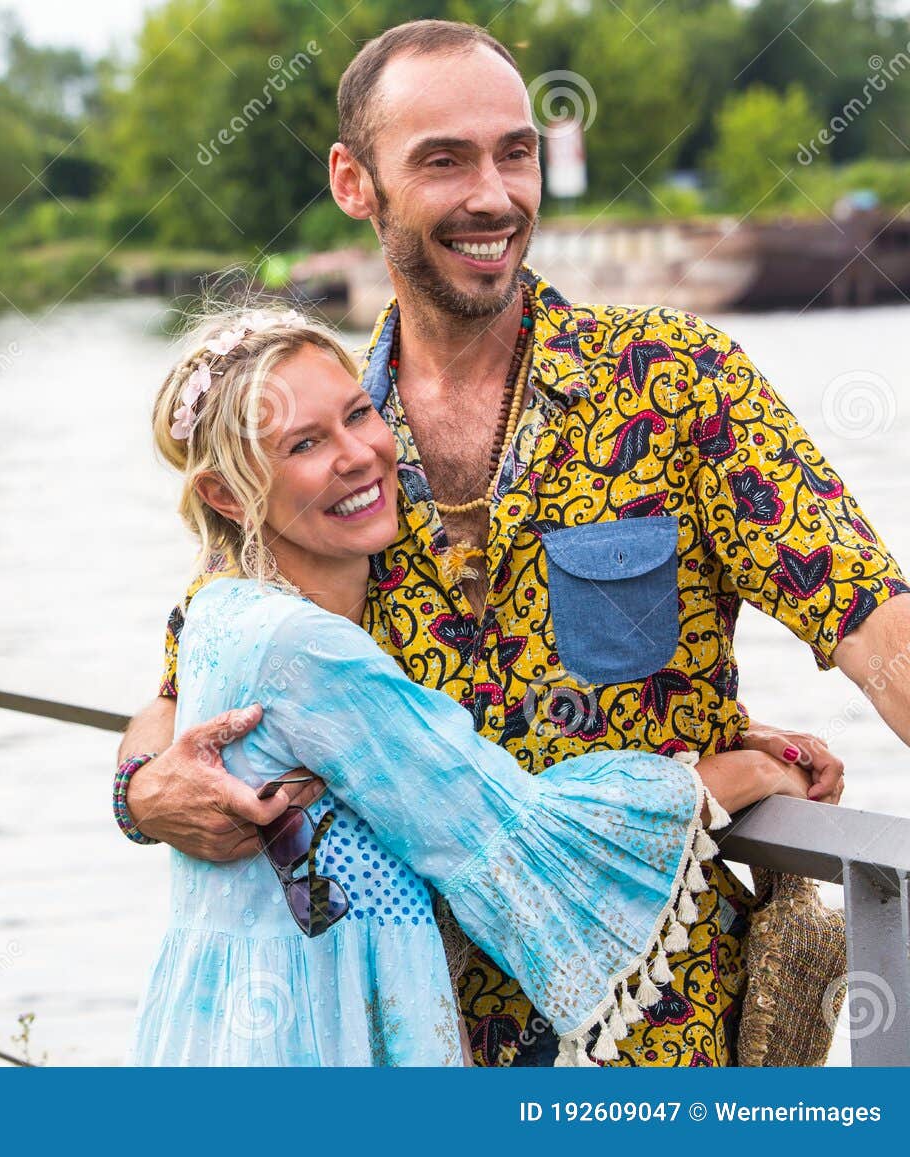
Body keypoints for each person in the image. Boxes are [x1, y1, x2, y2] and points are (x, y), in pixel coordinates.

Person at [116, 20, 910, 1067]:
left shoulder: (675, 384)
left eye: (515, 151)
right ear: (355, 182)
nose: (493, 195)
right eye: (442, 159)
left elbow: (868, 615)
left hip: (655, 1042)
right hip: (413, 1046)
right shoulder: (314, 450)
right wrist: (139, 792)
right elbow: (191, 686)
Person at [123, 307, 811, 1066]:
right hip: (318, 1037)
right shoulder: (311, 647)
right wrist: (740, 774)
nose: (357, 455)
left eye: (359, 414)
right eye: (306, 444)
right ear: (226, 494)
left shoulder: (223, 611)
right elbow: (514, 837)